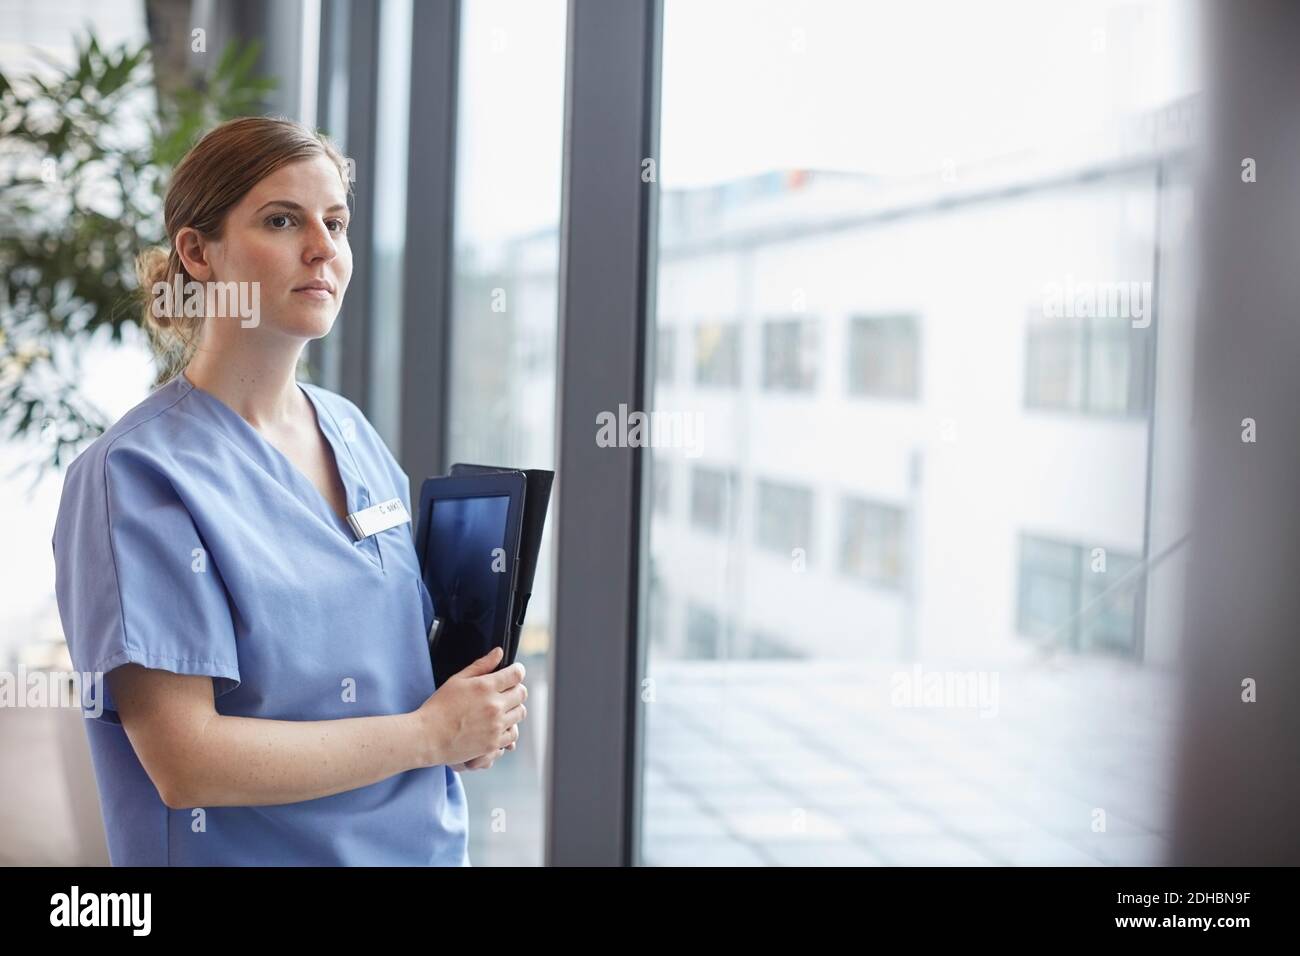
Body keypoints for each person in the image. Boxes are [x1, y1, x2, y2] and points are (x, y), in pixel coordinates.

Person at [50, 116, 527, 866]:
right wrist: (428, 734)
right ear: (197, 252)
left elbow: (396, 669)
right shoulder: (135, 477)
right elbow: (187, 762)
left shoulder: (352, 432)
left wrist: (466, 719)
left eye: (335, 222)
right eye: (282, 220)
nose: (322, 249)